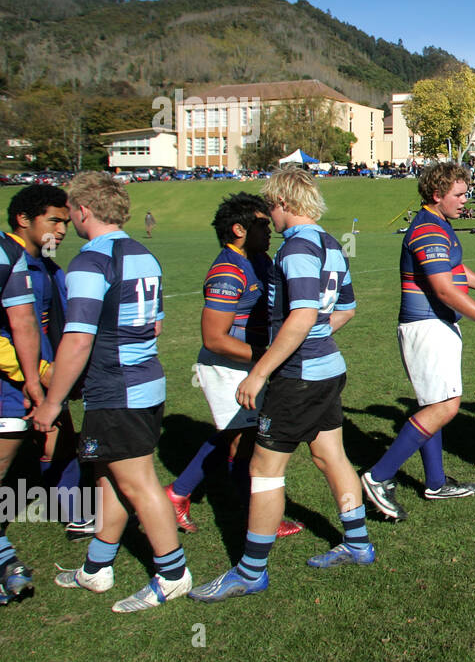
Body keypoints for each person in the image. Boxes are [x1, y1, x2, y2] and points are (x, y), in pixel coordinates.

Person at [191, 168, 368, 602]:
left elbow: (304, 315)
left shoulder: (296, 250)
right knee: (331, 456)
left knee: (264, 471)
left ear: (285, 203)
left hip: (301, 378)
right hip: (328, 369)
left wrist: (260, 371)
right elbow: (344, 310)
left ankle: (251, 572)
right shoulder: (330, 243)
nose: (269, 215)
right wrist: (316, 341)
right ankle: (359, 544)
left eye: (271, 206)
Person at [31, 172, 191, 612]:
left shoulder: (88, 261)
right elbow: (155, 324)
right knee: (108, 477)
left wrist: (51, 402)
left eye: (70, 213)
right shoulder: (144, 254)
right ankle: (97, 567)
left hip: (117, 389)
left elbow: (78, 339)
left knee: (138, 483)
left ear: (82, 210)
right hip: (145, 382)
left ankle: (172, 574)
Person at [360, 164, 475, 522]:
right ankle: (378, 476)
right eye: (460, 194)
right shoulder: (428, 230)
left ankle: (434, 482)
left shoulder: (438, 225)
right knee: (446, 406)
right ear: (437, 195)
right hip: (427, 326)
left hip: (435, 324)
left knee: (433, 404)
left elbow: (454, 270)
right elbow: (443, 287)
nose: (466, 200)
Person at [165, 194, 302, 539]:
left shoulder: (258, 260)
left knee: (243, 435)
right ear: (239, 229)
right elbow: (214, 338)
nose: (269, 229)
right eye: (261, 224)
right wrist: (266, 355)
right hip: (227, 364)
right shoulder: (228, 271)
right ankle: (186, 495)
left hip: (250, 361)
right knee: (240, 437)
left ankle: (187, 495)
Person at [0, 191, 54, 605]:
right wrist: (35, 378)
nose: (60, 231)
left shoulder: (9, 254)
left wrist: (33, 380)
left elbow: (24, 323)